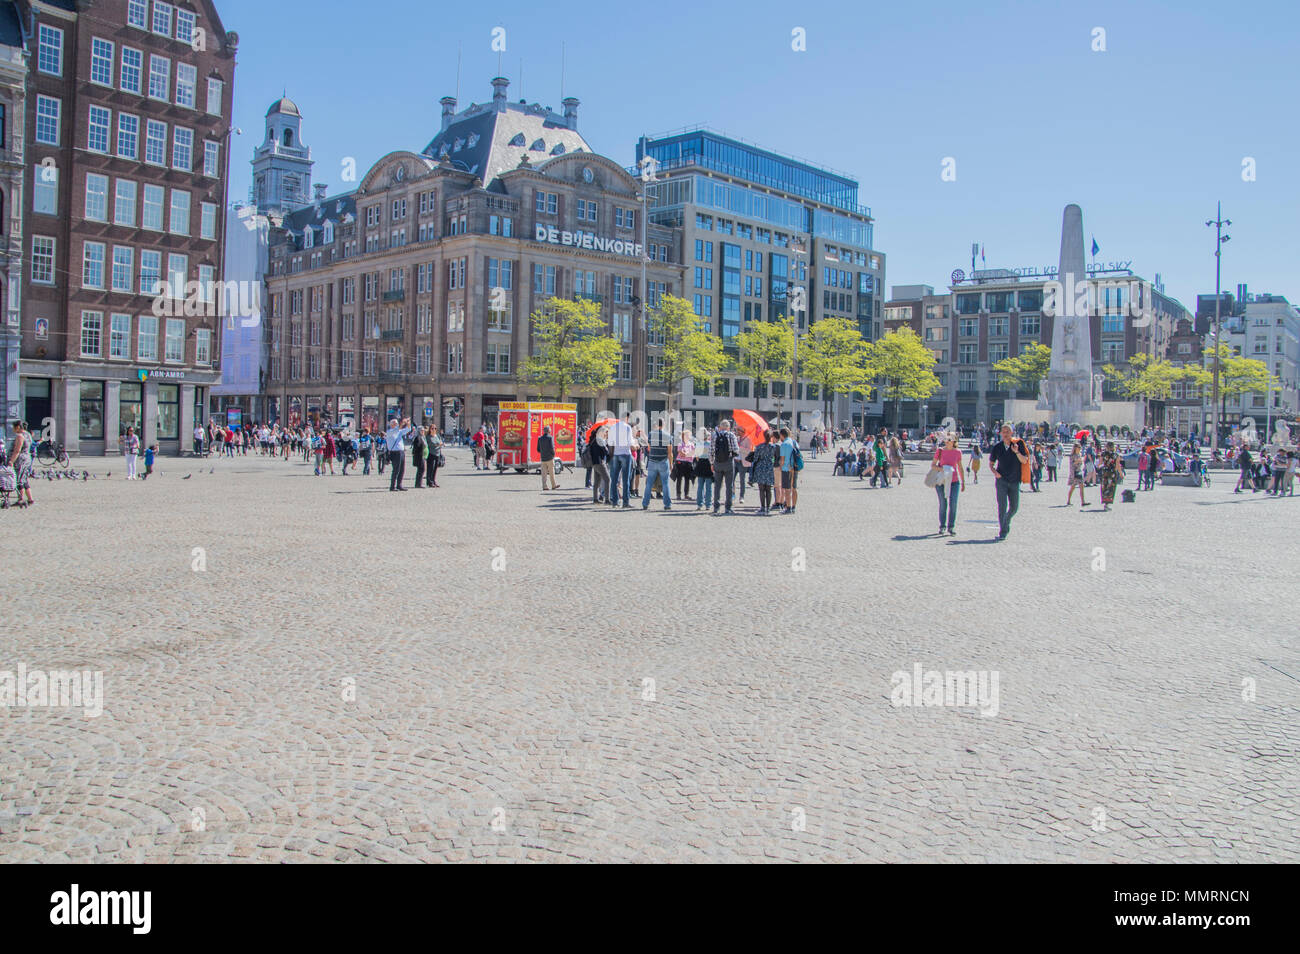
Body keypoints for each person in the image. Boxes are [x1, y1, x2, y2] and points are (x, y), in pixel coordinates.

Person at [988, 424, 1031, 540]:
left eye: (1008, 431)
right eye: (1003, 431)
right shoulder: (997, 447)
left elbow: (1024, 460)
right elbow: (991, 464)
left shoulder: (1018, 444)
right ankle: (1003, 532)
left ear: (1012, 433)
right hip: (1001, 480)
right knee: (1002, 507)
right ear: (1000, 433)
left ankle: (1006, 521)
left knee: (1014, 507)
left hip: (1014, 481)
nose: (1005, 434)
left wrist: (1017, 452)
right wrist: (995, 472)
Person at [932, 432, 965, 535]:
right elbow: (933, 465)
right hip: (941, 481)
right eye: (946, 439)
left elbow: (960, 467)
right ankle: (942, 526)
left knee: (953, 504)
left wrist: (963, 482)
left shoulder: (958, 452)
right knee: (943, 504)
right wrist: (943, 469)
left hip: (954, 481)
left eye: (950, 439)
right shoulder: (940, 451)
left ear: (954, 440)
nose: (947, 441)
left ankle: (951, 526)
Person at [641, 418, 674, 510]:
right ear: (663, 424)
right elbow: (670, 452)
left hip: (652, 461)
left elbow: (649, 448)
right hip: (663, 461)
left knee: (649, 483)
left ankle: (645, 503)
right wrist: (671, 464)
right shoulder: (667, 435)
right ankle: (667, 504)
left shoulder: (651, 434)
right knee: (665, 484)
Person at [712, 419, 740, 514]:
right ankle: (728, 507)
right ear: (728, 427)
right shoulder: (731, 435)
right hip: (728, 462)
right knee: (729, 485)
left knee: (717, 485)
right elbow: (736, 449)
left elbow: (711, 450)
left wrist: (712, 462)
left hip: (717, 462)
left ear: (720, 427)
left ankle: (716, 506)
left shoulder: (715, 435)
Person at [606, 418, 635, 508]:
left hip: (615, 454)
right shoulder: (628, 427)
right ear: (627, 418)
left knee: (614, 479)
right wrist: (635, 446)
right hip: (625, 454)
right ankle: (625, 502)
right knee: (626, 480)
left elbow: (610, 442)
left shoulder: (613, 427)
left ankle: (615, 502)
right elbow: (630, 442)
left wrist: (611, 455)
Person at [7, 421, 33, 507]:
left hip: (20, 460)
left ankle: (20, 499)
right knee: (24, 479)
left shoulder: (20, 436)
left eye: (13, 427)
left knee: (19, 479)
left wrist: (11, 461)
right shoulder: (28, 434)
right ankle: (30, 499)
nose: (13, 429)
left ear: (18, 427)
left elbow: (17, 450)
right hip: (27, 458)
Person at [751, 429, 777, 514]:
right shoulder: (773, 447)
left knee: (761, 489)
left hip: (760, 467)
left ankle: (762, 507)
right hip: (769, 467)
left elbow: (755, 458)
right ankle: (768, 507)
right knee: (768, 489)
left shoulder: (759, 446)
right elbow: (776, 458)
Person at [385, 417, 413, 491]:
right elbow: (398, 429)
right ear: (391, 424)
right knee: (396, 470)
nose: (396, 424)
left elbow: (408, 429)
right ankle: (392, 486)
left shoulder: (399, 431)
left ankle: (399, 485)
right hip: (395, 452)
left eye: (397, 423)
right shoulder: (390, 432)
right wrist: (402, 423)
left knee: (402, 469)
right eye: (395, 423)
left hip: (401, 452)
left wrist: (408, 423)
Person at [778, 426, 799, 514]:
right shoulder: (794, 442)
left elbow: (782, 459)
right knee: (794, 488)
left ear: (782, 435)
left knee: (787, 489)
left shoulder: (784, 444)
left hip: (786, 468)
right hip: (795, 467)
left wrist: (780, 466)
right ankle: (793, 507)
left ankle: (788, 507)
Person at [1098, 441, 1123, 510]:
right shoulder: (1116, 455)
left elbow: (1099, 464)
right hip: (1112, 473)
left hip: (1105, 472)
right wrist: (1121, 473)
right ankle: (1108, 503)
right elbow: (1117, 465)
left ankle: (1105, 501)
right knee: (1111, 487)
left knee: (1104, 487)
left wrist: (1104, 465)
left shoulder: (1103, 454)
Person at [589, 425, 610, 503]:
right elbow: (606, 452)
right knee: (607, 479)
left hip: (594, 463)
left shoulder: (594, 439)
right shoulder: (600, 440)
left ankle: (595, 499)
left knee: (597, 482)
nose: (606, 433)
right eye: (605, 432)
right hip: (600, 462)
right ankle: (607, 499)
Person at [673, 429, 696, 500]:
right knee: (679, 479)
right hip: (680, 463)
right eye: (688, 435)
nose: (689, 436)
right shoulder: (680, 444)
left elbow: (693, 453)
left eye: (689, 435)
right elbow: (680, 453)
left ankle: (686, 494)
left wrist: (687, 455)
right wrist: (688, 454)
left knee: (687, 479)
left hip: (688, 463)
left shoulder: (691, 444)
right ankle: (678, 494)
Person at [694, 431, 713, 511]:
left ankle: (699, 504)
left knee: (700, 486)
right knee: (708, 486)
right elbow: (712, 455)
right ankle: (708, 504)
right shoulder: (710, 444)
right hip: (708, 464)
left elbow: (697, 457)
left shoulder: (698, 444)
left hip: (700, 463)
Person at [537, 425, 558, 491]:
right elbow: (552, 447)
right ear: (549, 431)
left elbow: (538, 449)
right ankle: (553, 485)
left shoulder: (540, 438)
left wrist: (543, 452)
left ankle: (544, 486)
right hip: (549, 458)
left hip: (543, 458)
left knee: (544, 474)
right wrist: (553, 454)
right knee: (551, 473)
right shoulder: (550, 438)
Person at [411, 425, 428, 489]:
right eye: (421, 430)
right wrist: (420, 453)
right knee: (421, 469)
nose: (423, 431)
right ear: (419, 431)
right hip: (419, 456)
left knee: (422, 469)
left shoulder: (422, 437)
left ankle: (419, 483)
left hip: (423, 455)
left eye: (423, 430)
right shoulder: (418, 437)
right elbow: (416, 447)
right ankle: (418, 484)